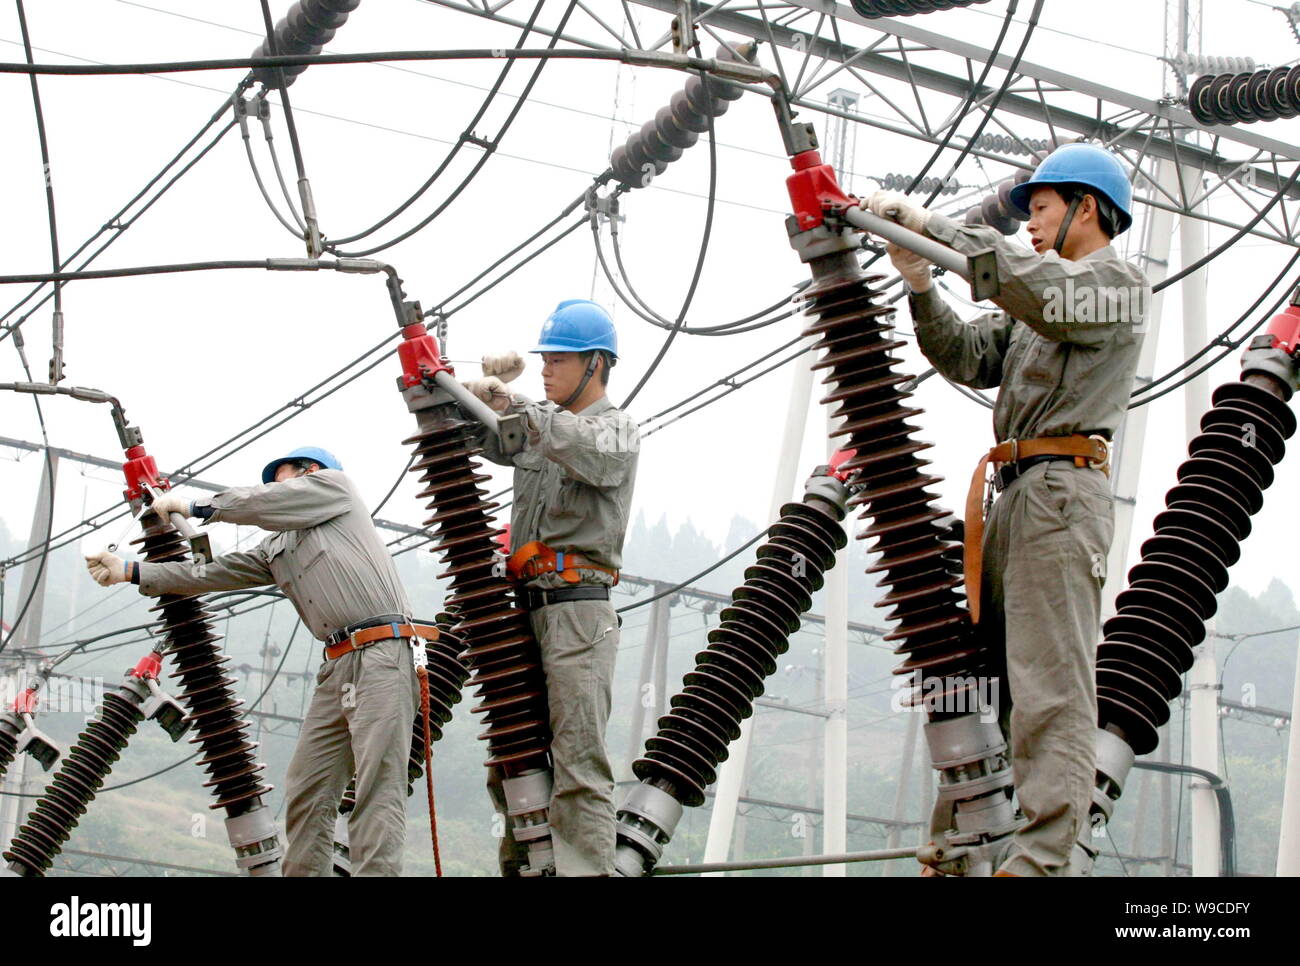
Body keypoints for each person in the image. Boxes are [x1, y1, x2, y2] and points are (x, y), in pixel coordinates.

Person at [866, 142, 1149, 876]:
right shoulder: (1037, 303)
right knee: (983, 673)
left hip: (1062, 495)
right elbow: (964, 354)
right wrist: (923, 283)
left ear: (1088, 208)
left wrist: (939, 230)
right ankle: (968, 843)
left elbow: (1035, 287)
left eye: (1043, 207)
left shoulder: (1112, 284)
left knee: (1047, 680)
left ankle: (1045, 856)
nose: (1030, 222)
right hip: (1016, 496)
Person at [85, 446, 423, 877]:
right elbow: (206, 574)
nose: (273, 490)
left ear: (311, 473)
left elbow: (263, 503)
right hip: (337, 663)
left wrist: (196, 506)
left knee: (378, 784)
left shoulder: (336, 490)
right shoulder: (278, 547)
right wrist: (131, 571)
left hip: (384, 652)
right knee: (307, 788)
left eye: (280, 479)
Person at [462, 299, 639, 876]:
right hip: (526, 606)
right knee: (510, 756)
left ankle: (584, 869)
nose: (545, 370)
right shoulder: (541, 426)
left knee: (577, 760)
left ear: (596, 364)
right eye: (544, 359)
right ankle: (523, 867)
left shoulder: (615, 430)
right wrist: (467, 395)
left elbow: (590, 455)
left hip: (578, 613)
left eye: (558, 360)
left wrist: (519, 404)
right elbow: (483, 440)